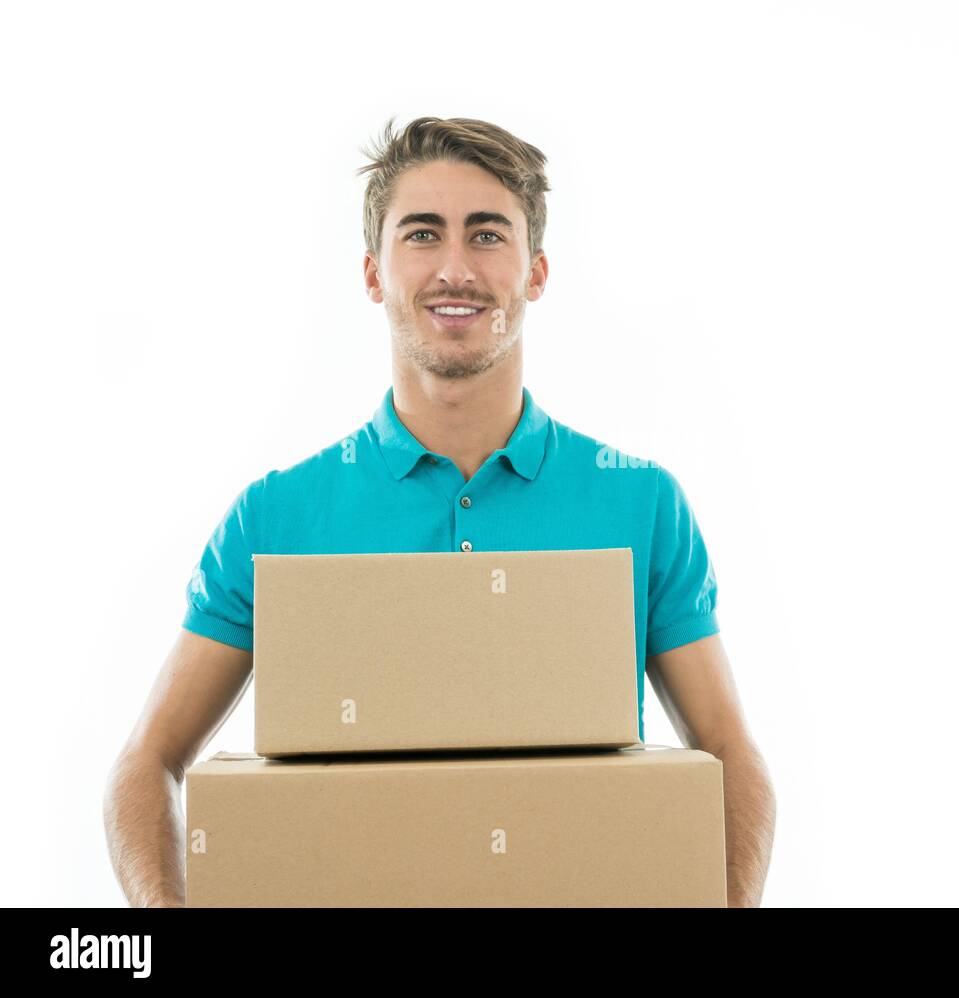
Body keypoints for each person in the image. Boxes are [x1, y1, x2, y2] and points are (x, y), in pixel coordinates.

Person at [102, 116, 775, 908]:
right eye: (423, 234)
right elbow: (147, 762)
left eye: (488, 235)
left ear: (537, 271)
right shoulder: (277, 517)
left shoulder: (639, 502)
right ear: (372, 272)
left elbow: (730, 752)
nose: (456, 267)